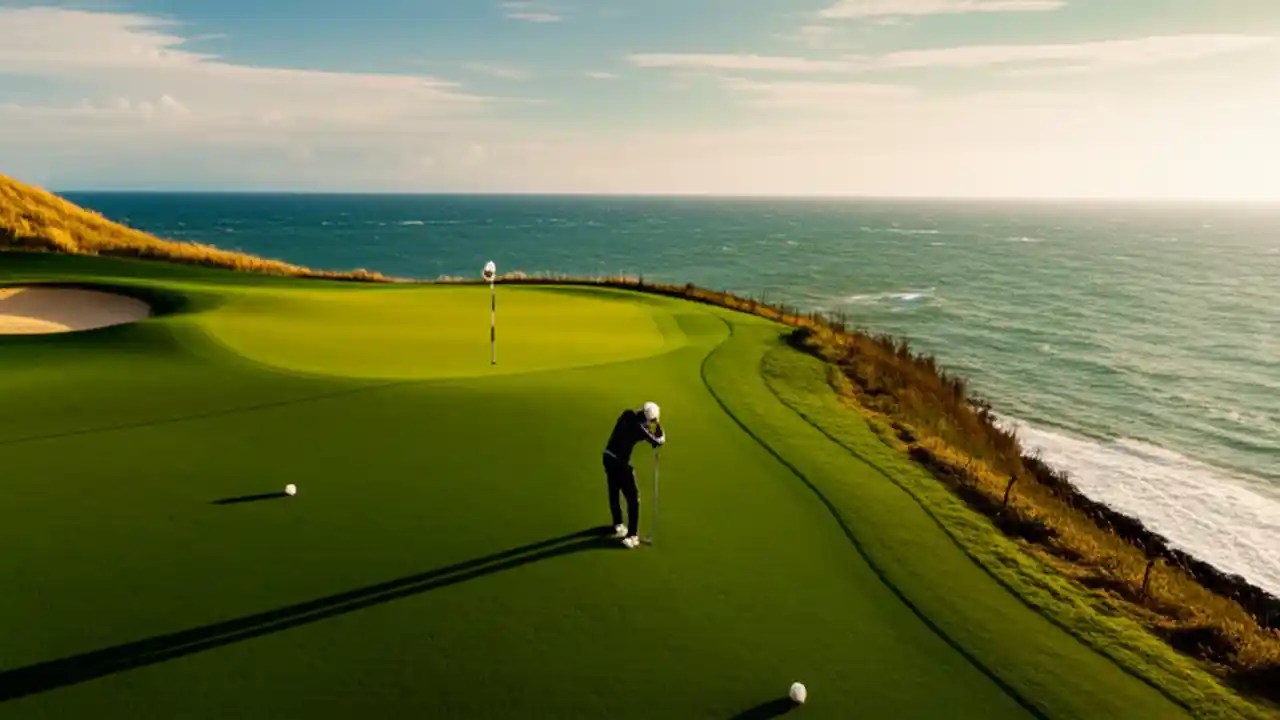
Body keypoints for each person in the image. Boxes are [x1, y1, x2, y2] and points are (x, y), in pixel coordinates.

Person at [602, 401, 665, 548]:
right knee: (633, 498)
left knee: (614, 490)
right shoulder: (640, 429)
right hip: (620, 463)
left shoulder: (626, 415)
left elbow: (640, 427)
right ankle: (632, 536)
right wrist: (658, 430)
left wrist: (650, 427)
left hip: (607, 457)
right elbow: (658, 441)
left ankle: (617, 524)